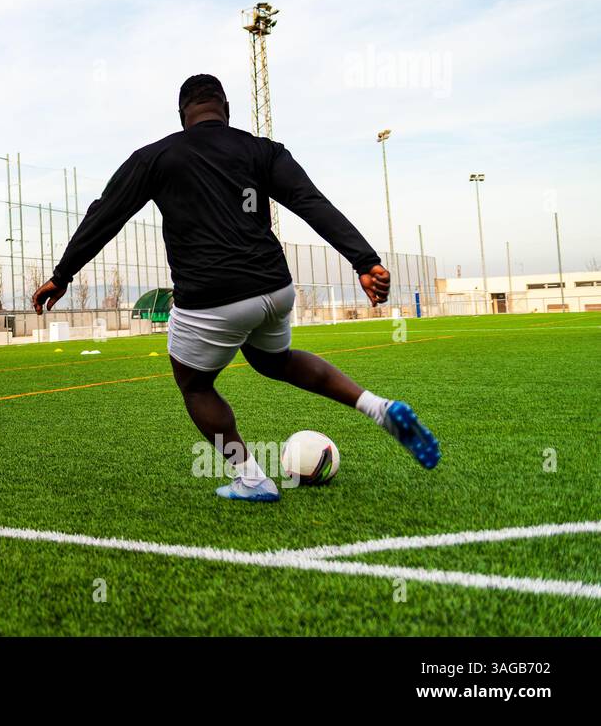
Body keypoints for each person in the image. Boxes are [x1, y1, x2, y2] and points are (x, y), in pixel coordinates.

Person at [31, 74, 439, 501]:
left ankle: (251, 478)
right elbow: (310, 201)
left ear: (181, 114)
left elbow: (106, 214)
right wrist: (364, 260)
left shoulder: (155, 157)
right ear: (225, 109)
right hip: (275, 289)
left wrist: (63, 275)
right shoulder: (261, 150)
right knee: (275, 361)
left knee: (195, 386)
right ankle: (378, 408)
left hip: (211, 299)